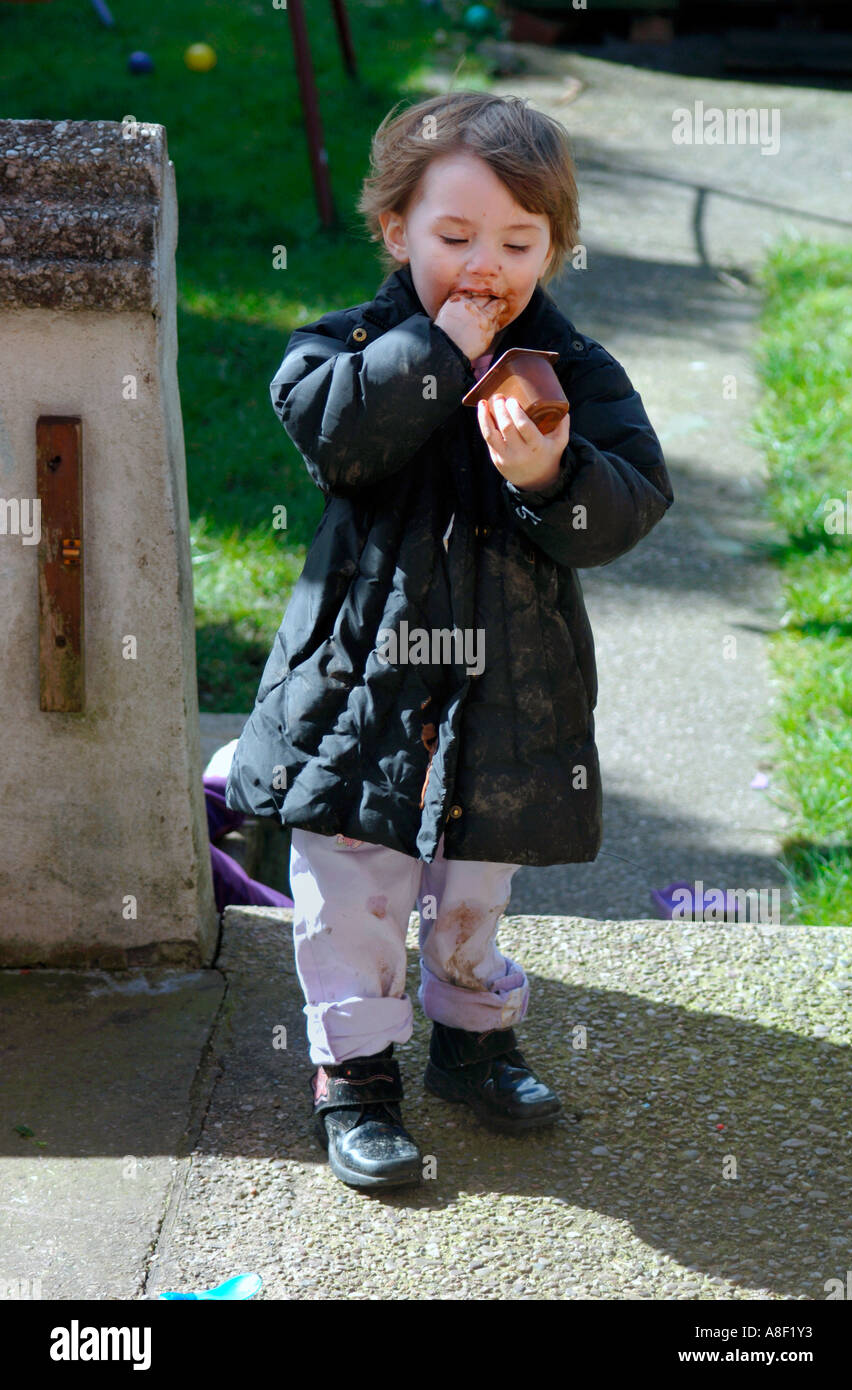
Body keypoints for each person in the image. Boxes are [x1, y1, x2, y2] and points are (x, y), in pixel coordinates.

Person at [225, 91, 674, 1189]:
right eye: (455, 236)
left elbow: (625, 505)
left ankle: (472, 1038)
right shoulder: (347, 347)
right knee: (353, 885)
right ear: (395, 233)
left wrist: (547, 475)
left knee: (475, 884)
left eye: (518, 242)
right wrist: (435, 350)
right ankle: (355, 1070)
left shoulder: (576, 372)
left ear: (554, 248)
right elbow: (337, 437)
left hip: (506, 693)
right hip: (359, 684)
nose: (487, 264)